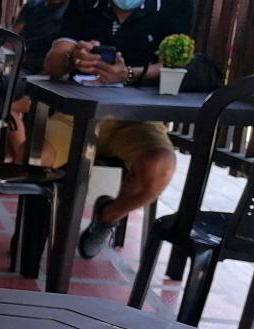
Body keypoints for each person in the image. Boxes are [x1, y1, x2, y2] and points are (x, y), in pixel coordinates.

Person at [41, 0, 193, 258]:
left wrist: (130, 74)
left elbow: (178, 64)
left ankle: (108, 216)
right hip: (78, 114)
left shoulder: (174, 6)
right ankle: (31, 239)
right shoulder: (86, 6)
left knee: (160, 166)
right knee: (39, 158)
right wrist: (73, 56)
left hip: (139, 119)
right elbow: (52, 62)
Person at [5, 0, 69, 162]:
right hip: (21, 71)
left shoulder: (72, 11)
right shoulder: (33, 6)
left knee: (6, 104)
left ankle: (19, 161)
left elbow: (59, 65)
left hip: (47, 79)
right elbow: (11, 41)